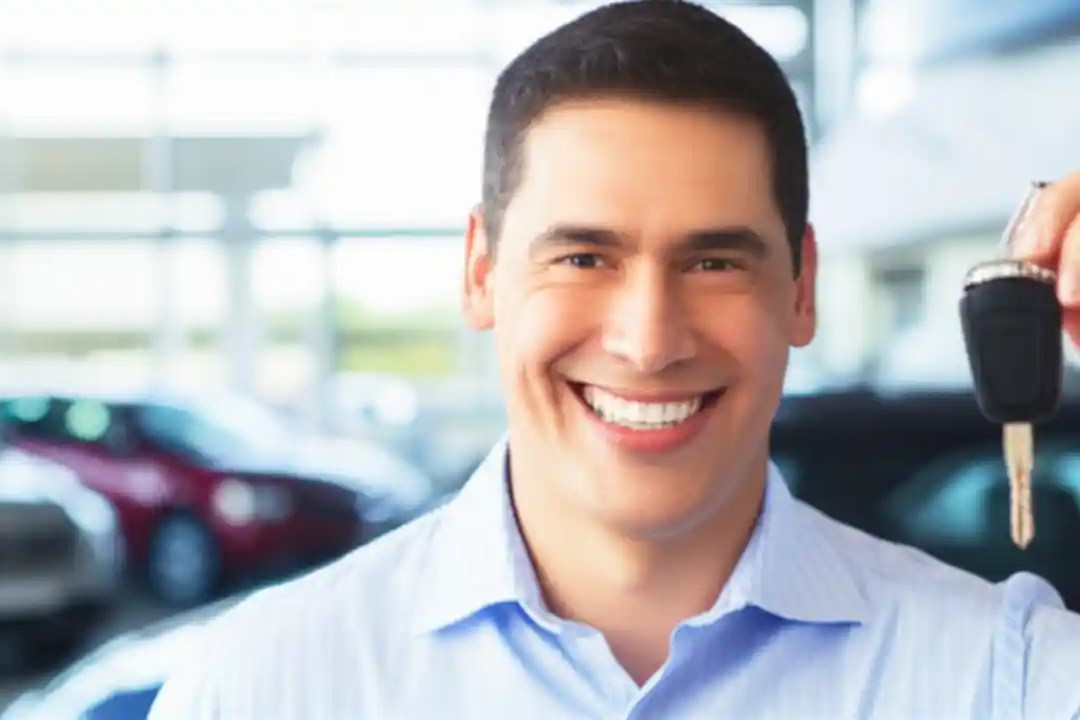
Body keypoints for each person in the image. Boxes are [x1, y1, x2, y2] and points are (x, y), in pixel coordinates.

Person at [150, 2, 1080, 717]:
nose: (648, 339)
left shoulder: (1007, 676)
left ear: (801, 291)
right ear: (482, 273)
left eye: (713, 261)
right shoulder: (260, 686)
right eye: (584, 257)